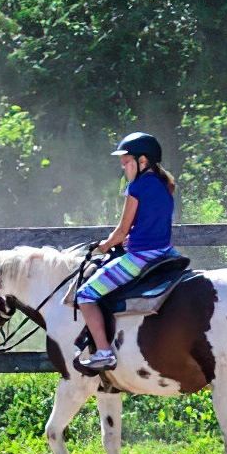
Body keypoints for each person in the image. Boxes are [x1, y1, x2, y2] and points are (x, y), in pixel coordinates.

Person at [75, 132, 179, 370]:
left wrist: (104, 246)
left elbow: (121, 231)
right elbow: (151, 223)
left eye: (126, 162)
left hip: (140, 258)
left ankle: (103, 352)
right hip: (165, 252)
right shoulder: (165, 185)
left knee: (86, 295)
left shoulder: (137, 187)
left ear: (143, 161)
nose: (123, 167)